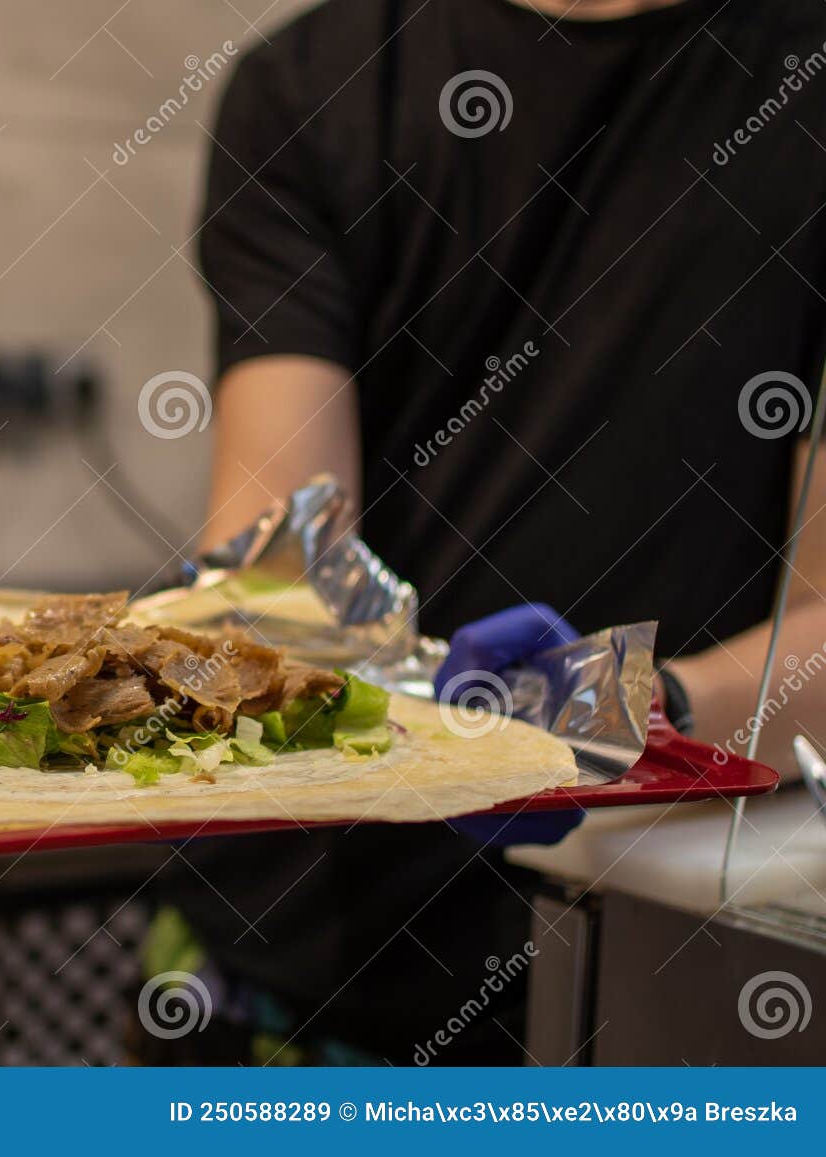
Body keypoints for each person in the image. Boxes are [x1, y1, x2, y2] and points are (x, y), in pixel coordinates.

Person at [145, 0, 826, 1065]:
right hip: (286, 970)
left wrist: (637, 713)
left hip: (632, 984)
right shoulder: (317, 82)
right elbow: (278, 551)